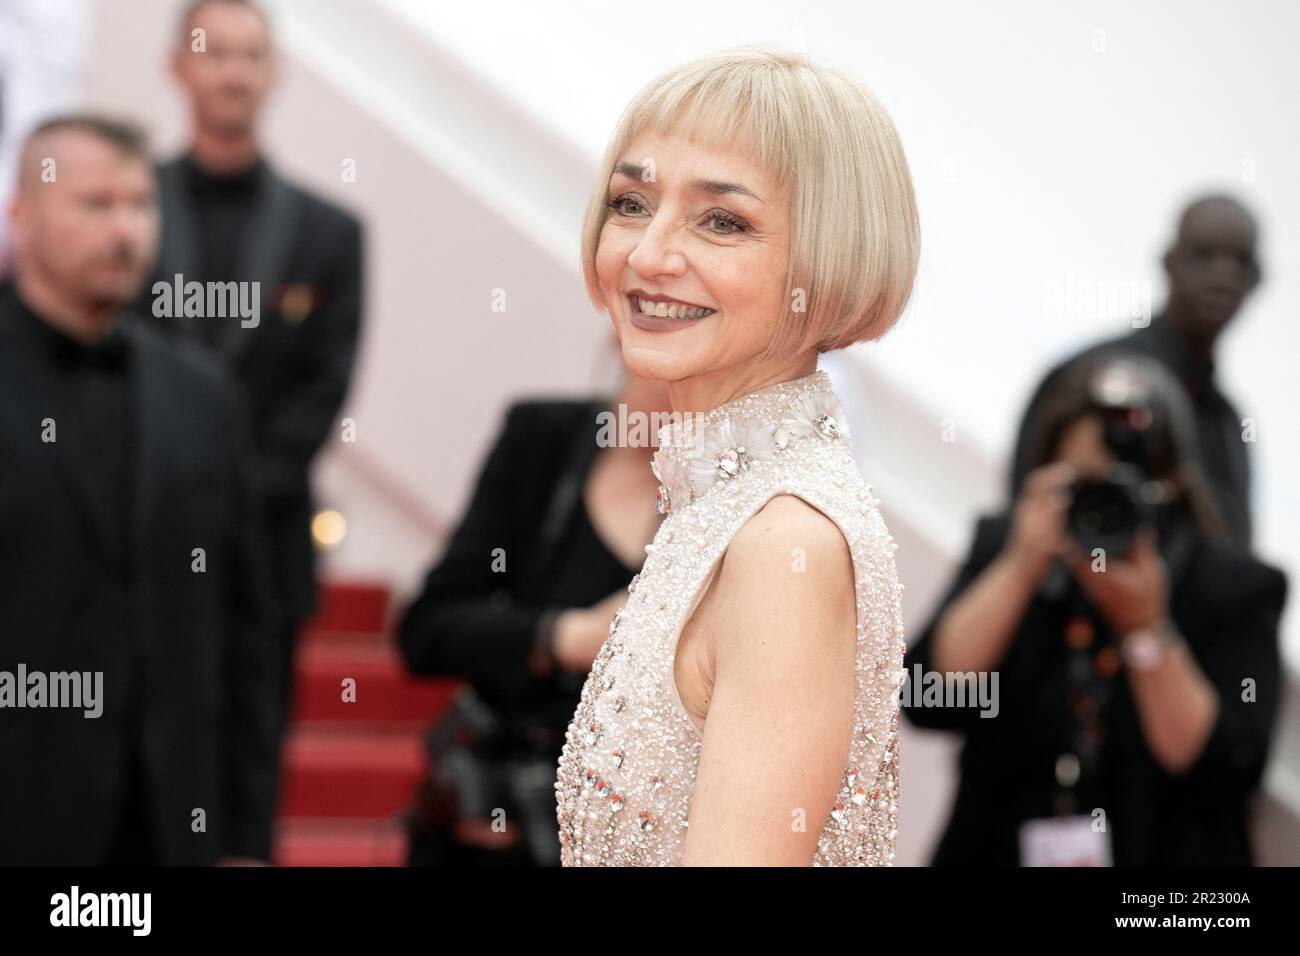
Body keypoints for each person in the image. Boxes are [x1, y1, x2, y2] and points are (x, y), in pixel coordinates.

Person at [553, 45, 919, 866]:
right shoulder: (723, 505)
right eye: (632, 202)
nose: (649, 256)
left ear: (829, 259)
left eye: (722, 221)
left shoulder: (784, 542)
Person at [0, 114, 278, 865]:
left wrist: (247, 838)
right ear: (22, 214)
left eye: (140, 203)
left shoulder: (202, 392)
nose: (126, 229)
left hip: (169, 822)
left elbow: (247, 633)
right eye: (96, 204)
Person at [905, 354, 1286, 866]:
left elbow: (1222, 772)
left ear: (1171, 486)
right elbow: (930, 699)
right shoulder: (1013, 548)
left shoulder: (1231, 587)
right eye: (1083, 489)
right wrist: (1019, 571)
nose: (1098, 515)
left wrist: (1146, 629)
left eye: (1119, 494)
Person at [141, 0, 364, 749]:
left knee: (249, 756)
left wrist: (232, 490)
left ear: (275, 73)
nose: (233, 72)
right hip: (132, 532)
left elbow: (325, 383)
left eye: (251, 54)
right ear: (178, 66)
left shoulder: (329, 232)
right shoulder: (123, 212)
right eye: (214, 52)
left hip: (265, 545)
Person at [397, 364, 669, 866]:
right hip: (496, 825)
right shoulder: (543, 440)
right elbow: (427, 628)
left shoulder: (728, 491)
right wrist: (564, 638)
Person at [1010, 195, 1262, 548]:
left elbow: (1235, 567)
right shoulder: (1089, 378)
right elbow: (1021, 515)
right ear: (1170, 262)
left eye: (1239, 262)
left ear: (1257, 278)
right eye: (1203, 256)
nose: (1223, 276)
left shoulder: (1227, 427)